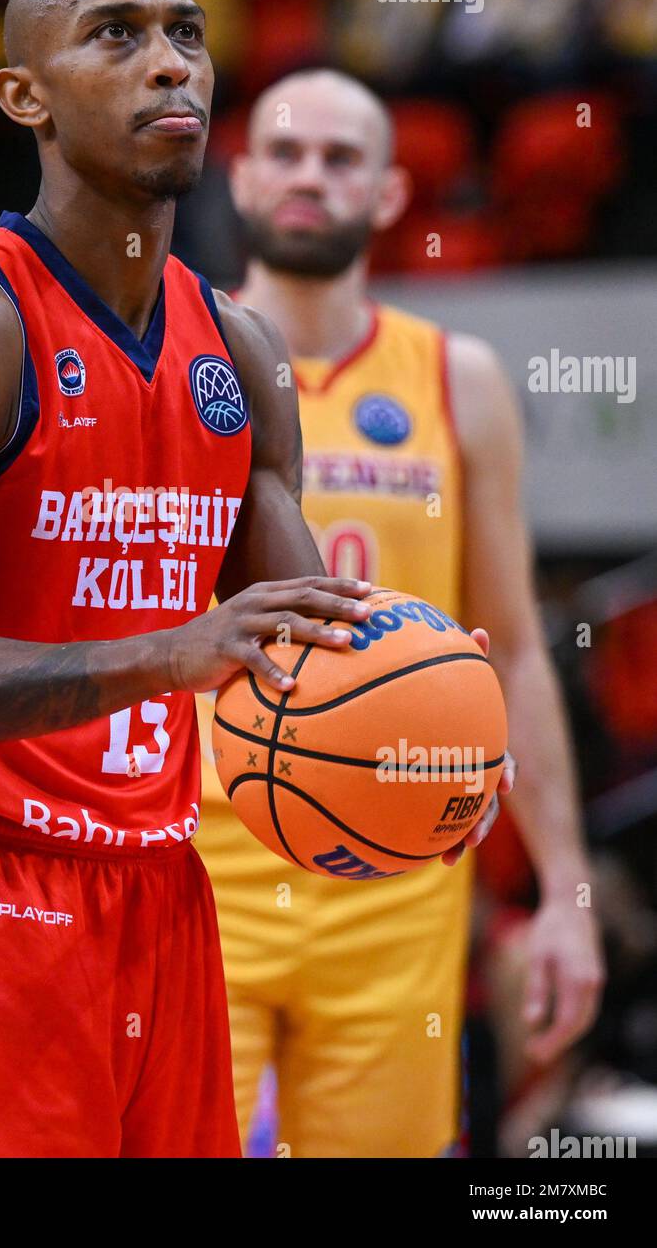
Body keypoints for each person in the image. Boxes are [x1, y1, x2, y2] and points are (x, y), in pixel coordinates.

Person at [0, 0, 507, 1160]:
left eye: (186, 34)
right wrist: (171, 654)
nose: (168, 65)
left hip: (170, 895)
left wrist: (430, 721)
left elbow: (304, 637)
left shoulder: (237, 351)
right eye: (116, 34)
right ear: (24, 96)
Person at [193, 68, 604, 1158]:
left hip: (396, 865)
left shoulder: (456, 378)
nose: (309, 177)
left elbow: (513, 646)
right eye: (284, 152)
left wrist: (565, 893)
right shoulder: (177, 366)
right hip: (197, 864)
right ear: (240, 179)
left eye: (340, 159)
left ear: (388, 195)